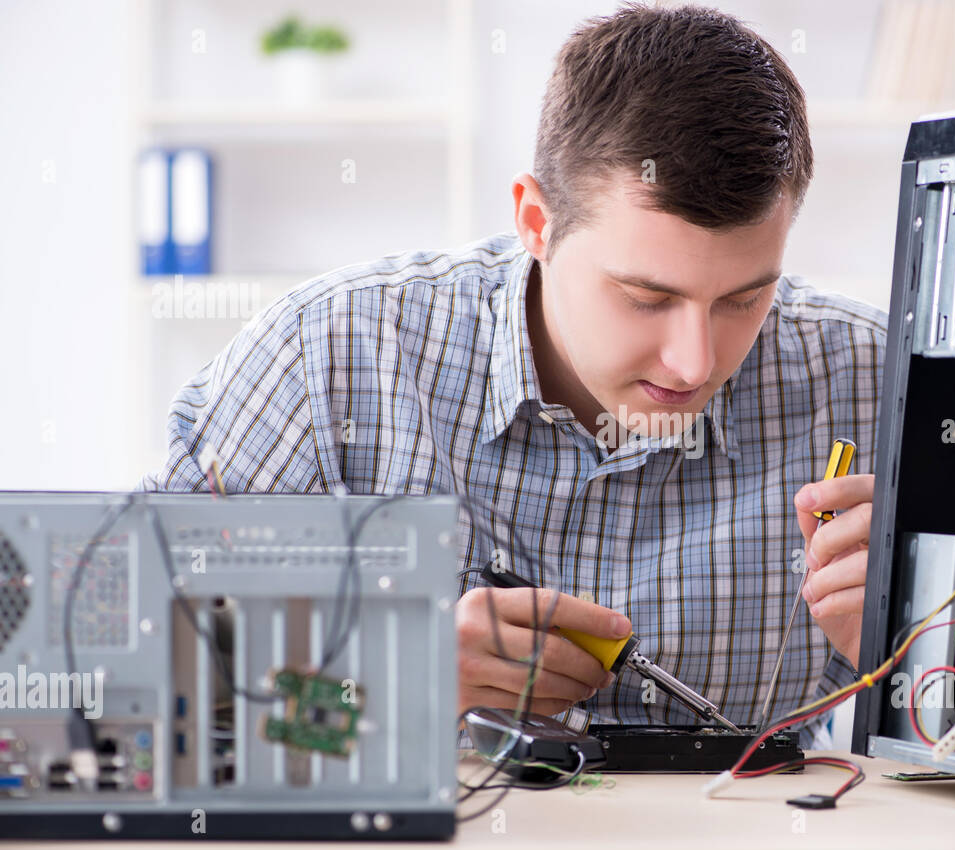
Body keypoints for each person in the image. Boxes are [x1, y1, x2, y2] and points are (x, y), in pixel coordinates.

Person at [138, 2, 885, 748]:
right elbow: (121, 676)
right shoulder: (328, 355)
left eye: (745, 298)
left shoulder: (871, 381)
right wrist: (386, 677)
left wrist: (908, 652)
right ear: (537, 221)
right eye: (645, 297)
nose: (694, 361)